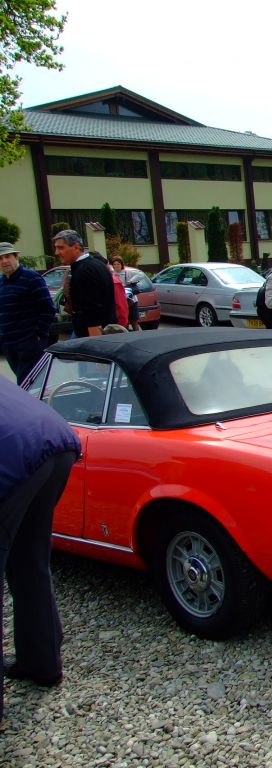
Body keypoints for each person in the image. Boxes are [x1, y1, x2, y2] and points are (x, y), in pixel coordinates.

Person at [1, 376, 81, 720]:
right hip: (54, 439)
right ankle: (42, 663)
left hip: (14, 453)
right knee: (29, 559)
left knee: (27, 559)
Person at [0, 242, 55, 383]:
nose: (4, 261)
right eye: (0, 258)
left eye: (7, 256)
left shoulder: (31, 278)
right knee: (27, 384)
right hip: (9, 345)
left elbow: (48, 309)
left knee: (27, 384)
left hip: (29, 343)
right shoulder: (2, 283)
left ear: (16, 257)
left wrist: (38, 335)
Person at [53, 230, 114, 338]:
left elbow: (92, 311)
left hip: (92, 337)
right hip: (104, 331)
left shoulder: (84, 270)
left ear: (76, 247)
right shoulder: (97, 264)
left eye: (61, 248)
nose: (56, 252)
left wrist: (95, 344)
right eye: (56, 248)